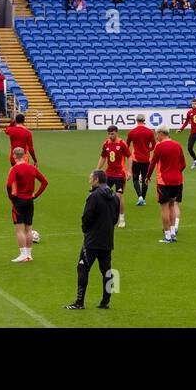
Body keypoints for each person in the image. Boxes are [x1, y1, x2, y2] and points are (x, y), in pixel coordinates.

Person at [66, 169, 119, 310]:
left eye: (91, 178)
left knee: (82, 268)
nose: (89, 181)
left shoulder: (94, 196)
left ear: (96, 180)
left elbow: (86, 218)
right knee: (107, 271)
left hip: (92, 241)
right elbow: (115, 219)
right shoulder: (115, 197)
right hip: (107, 240)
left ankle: (79, 302)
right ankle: (106, 301)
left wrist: (86, 230)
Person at [6, 146, 48, 262]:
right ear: (25, 155)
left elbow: (9, 185)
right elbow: (45, 182)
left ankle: (22, 254)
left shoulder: (14, 169)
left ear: (14, 156)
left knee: (19, 229)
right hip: (30, 200)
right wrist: (36, 194)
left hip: (19, 200)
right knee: (29, 229)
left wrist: (11, 197)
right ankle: (29, 255)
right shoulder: (31, 168)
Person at [147, 127, 185, 243]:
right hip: (177, 181)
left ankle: (167, 236)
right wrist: (176, 173)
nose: (156, 137)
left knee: (164, 208)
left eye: (156, 134)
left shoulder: (159, 146)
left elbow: (153, 162)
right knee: (172, 205)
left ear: (161, 133)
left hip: (164, 181)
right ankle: (173, 233)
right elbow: (183, 164)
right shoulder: (178, 145)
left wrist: (147, 176)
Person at [96, 125, 129, 228]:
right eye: (109, 134)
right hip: (108, 174)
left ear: (116, 133)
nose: (110, 136)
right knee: (102, 195)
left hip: (120, 174)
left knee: (118, 197)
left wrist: (130, 171)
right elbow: (103, 157)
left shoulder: (122, 143)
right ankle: (103, 216)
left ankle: (121, 219)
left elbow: (130, 157)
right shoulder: (106, 144)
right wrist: (97, 169)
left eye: (112, 134)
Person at [126, 114, 156, 205]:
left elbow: (126, 145)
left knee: (135, 180)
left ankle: (139, 196)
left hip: (136, 159)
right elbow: (154, 145)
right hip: (146, 160)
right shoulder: (150, 132)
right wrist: (149, 149)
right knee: (145, 179)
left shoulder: (132, 132)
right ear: (144, 120)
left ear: (136, 120)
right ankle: (143, 198)